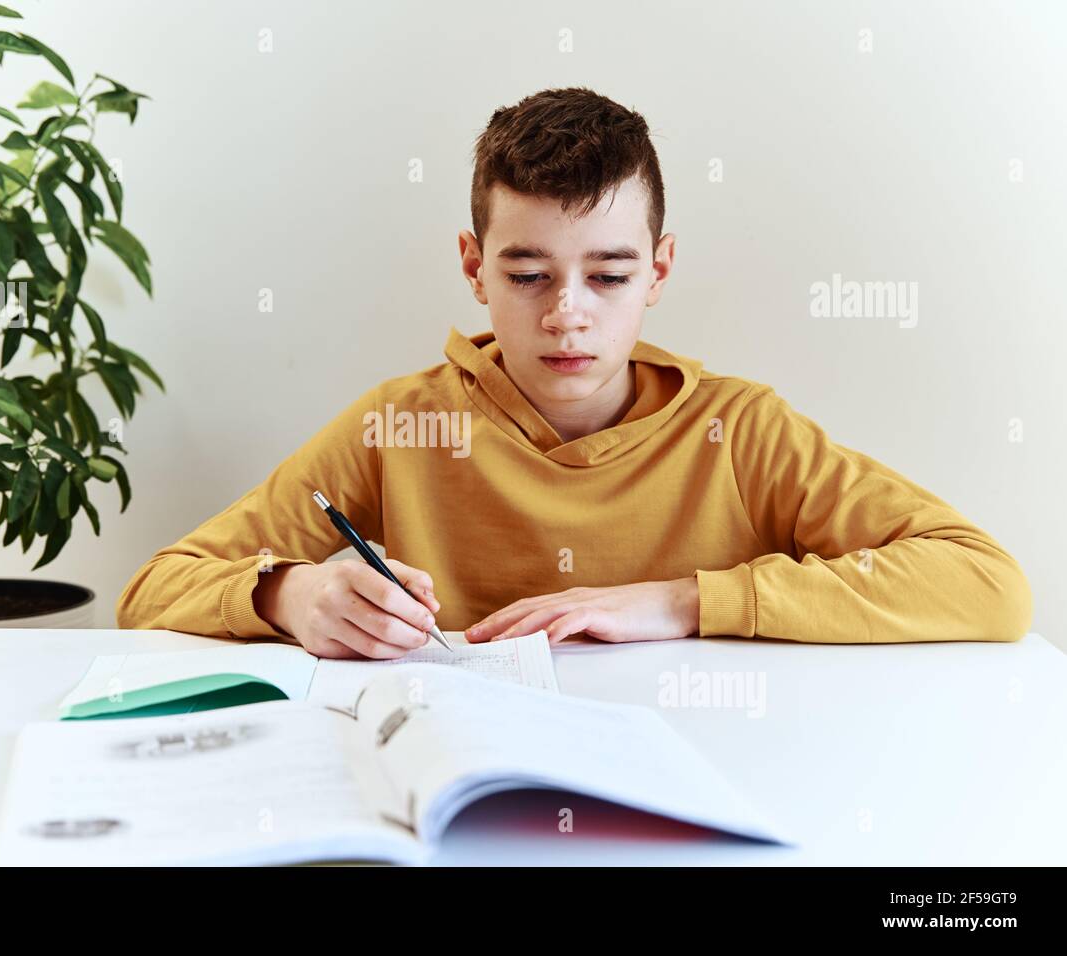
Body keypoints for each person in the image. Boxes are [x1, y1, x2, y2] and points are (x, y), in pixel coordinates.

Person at [116, 87, 1032, 659]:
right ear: (473, 267)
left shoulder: (742, 431)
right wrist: (293, 592)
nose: (566, 314)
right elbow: (153, 589)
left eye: (609, 274)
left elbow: (986, 584)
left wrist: (685, 602)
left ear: (660, 271)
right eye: (527, 275)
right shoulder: (399, 424)